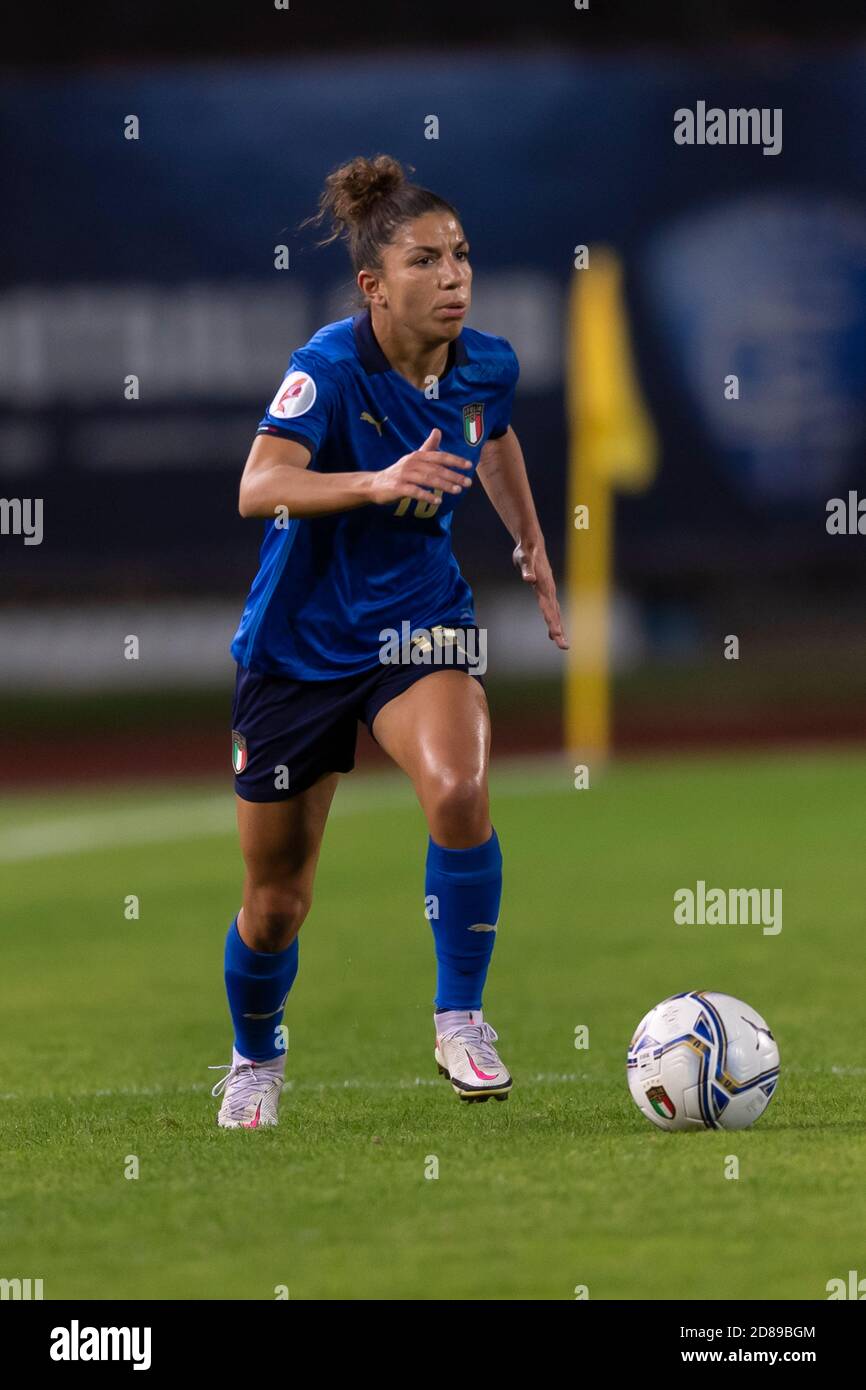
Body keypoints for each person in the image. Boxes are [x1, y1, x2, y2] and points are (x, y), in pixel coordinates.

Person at [209, 154, 568, 1128]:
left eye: (459, 256)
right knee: (277, 899)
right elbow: (258, 486)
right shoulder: (326, 369)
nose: (451, 276)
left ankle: (460, 1017)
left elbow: (491, 435)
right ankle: (254, 1056)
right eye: (424, 260)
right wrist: (372, 481)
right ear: (373, 285)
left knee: (457, 788)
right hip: (298, 647)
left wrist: (529, 540)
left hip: (420, 622)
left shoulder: (484, 361)